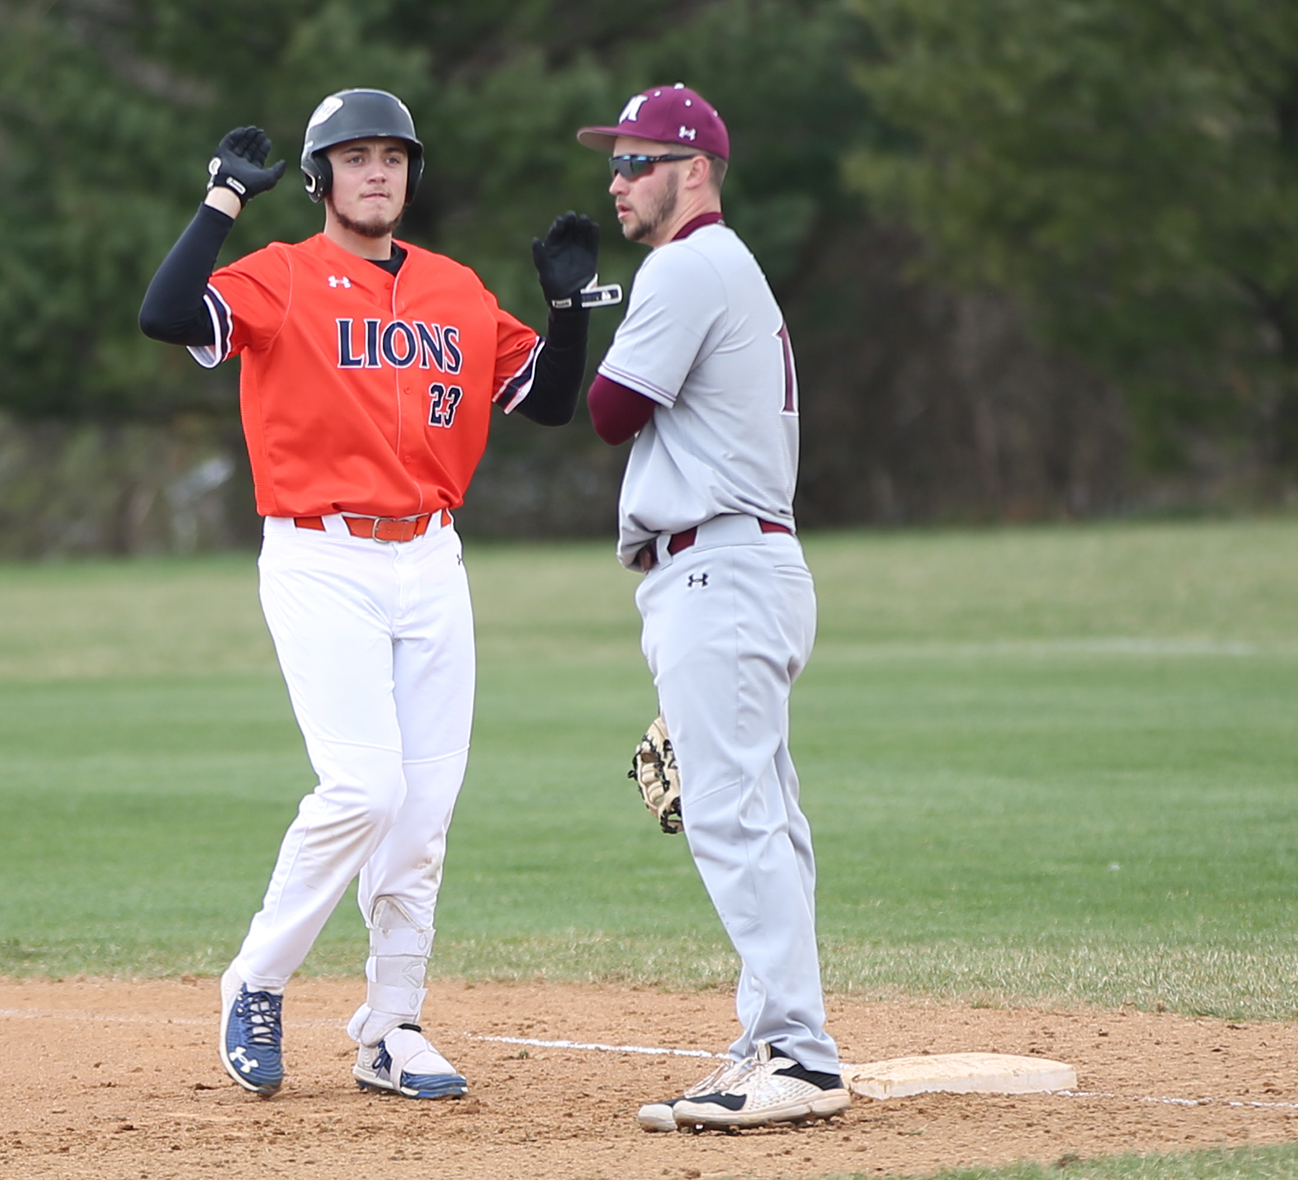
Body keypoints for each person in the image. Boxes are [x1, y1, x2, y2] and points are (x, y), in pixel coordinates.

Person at [139, 89, 604, 1100]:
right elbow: (167, 313)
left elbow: (552, 401)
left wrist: (567, 308)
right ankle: (256, 980)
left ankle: (391, 1026)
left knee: (422, 809)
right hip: (321, 553)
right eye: (355, 158)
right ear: (320, 178)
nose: (378, 173)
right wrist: (222, 198)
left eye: (393, 156)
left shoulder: (455, 291)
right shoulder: (282, 277)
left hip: (431, 558)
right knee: (363, 786)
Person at [574, 84, 852, 1131]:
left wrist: (580, 318)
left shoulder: (687, 264)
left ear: (695, 168)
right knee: (760, 814)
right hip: (741, 565)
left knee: (736, 817)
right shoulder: (722, 269)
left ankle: (798, 1054)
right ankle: (776, 1037)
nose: (618, 180)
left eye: (638, 161)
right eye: (616, 162)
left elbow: (609, 413)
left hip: (718, 568)